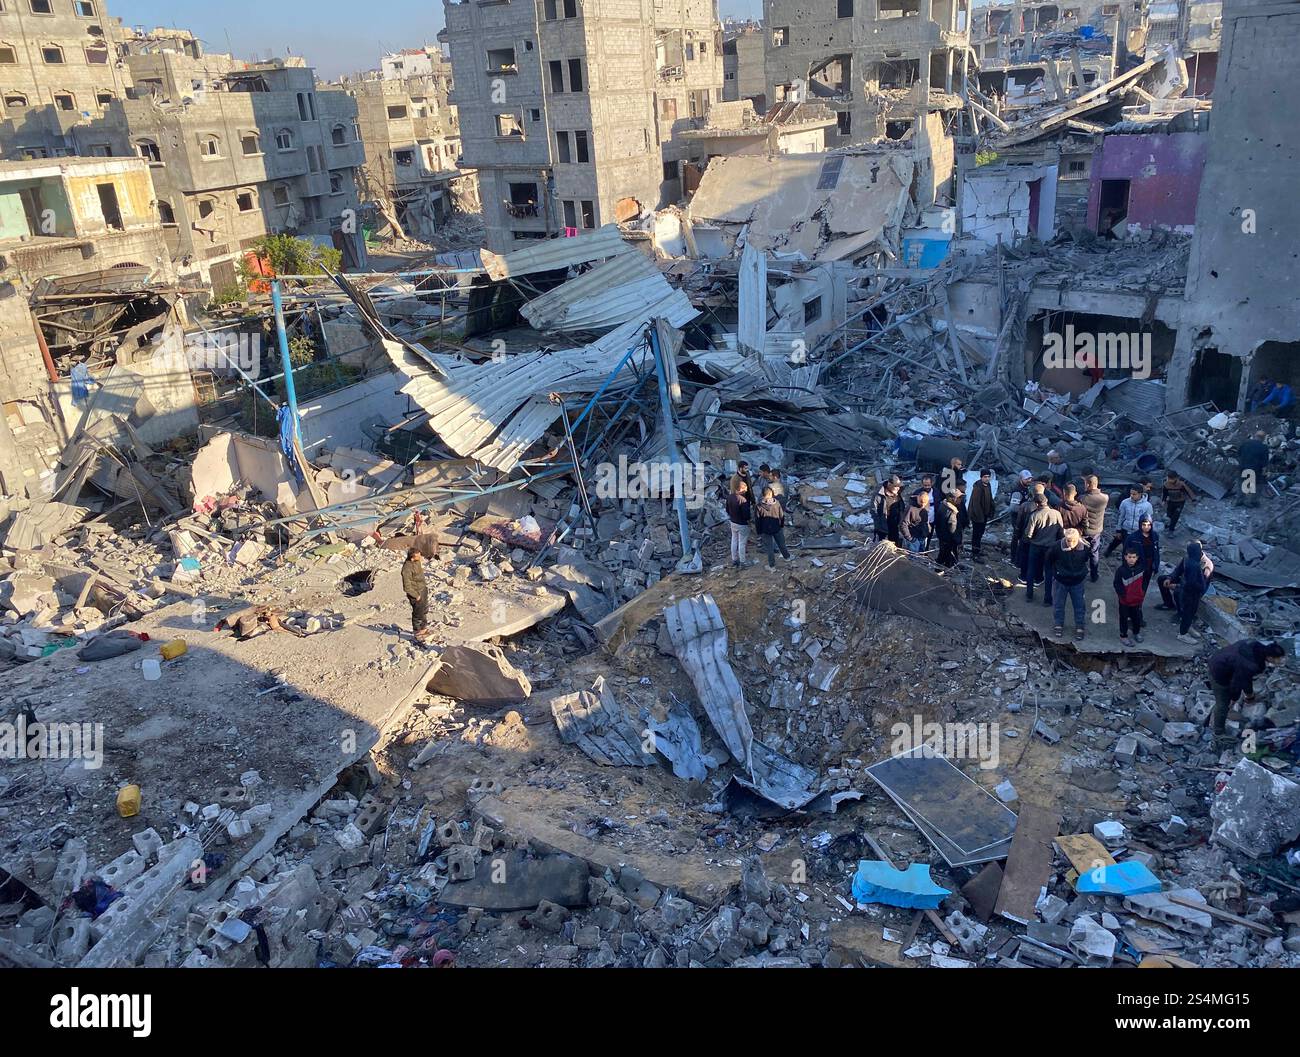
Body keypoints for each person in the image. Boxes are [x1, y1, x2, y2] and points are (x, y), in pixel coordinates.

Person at [1207, 639, 1286, 739]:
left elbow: (1243, 676)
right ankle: (1218, 732)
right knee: (1223, 704)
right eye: (1278, 659)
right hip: (1218, 671)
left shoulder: (1255, 644)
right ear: (1270, 657)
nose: (1280, 661)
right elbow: (1240, 682)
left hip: (1221, 658)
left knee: (1228, 698)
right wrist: (1236, 698)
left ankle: (1216, 717)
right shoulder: (1250, 665)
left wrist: (1248, 695)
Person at [1158, 540, 1214, 643]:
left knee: (1188, 610)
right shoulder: (1189, 559)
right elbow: (1178, 571)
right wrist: (1170, 578)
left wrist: (1178, 586)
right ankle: (1183, 630)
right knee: (1162, 580)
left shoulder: (1205, 565)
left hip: (1194, 591)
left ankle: (1185, 627)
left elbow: (1201, 584)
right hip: (1187, 587)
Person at [1047, 527, 1090, 639]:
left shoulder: (1085, 548)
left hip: (1077, 581)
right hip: (1061, 581)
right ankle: (1058, 625)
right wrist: (1056, 572)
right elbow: (1048, 560)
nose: (1070, 543)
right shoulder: (1056, 547)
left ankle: (1080, 626)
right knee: (1058, 605)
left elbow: (1086, 560)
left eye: (1073, 541)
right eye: (1068, 541)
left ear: (1078, 539)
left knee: (1080, 605)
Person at [1024, 493, 1063, 602]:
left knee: (1031, 570)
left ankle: (1029, 594)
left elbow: (1028, 534)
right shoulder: (1057, 514)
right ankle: (1047, 598)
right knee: (1049, 572)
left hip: (1035, 546)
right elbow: (1061, 532)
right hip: (1050, 547)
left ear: (1037, 504)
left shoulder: (1034, 515)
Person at [1113, 547, 1148, 647]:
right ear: (1125, 557)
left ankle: (1136, 633)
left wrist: (1141, 592)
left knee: (1136, 617)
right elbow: (1117, 584)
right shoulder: (1121, 570)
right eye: (1129, 557)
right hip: (1124, 601)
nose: (1131, 559)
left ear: (1137, 558)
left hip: (1136, 600)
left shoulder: (1141, 569)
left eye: (1133, 557)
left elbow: (1144, 581)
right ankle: (1123, 636)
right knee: (1123, 618)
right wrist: (1123, 595)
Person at [1107, 485, 1154, 556]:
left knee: (1133, 549)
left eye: (1134, 494)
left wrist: (1146, 533)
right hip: (1125, 529)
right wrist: (1118, 530)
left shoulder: (1147, 506)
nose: (1131, 496)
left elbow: (1148, 521)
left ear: (1140, 494)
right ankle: (1109, 551)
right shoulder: (1125, 502)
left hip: (1138, 531)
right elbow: (1121, 517)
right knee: (1121, 543)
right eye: (1131, 494)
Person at [1078, 474, 1109, 582]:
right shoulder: (1105, 498)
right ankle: (1094, 575)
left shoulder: (1082, 498)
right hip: (1097, 530)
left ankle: (1080, 573)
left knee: (1081, 552)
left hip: (1085, 530)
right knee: (1094, 553)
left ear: (1088, 484)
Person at [1013, 483, 1045, 581]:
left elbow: (1019, 523)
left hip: (1025, 536)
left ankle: (1023, 576)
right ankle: (1037, 578)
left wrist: (1017, 535)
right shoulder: (1047, 508)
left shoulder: (1025, 506)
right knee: (1038, 559)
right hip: (1039, 538)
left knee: (1024, 557)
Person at [754, 486, 791, 569]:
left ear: (763, 495)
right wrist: (781, 525)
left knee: (769, 548)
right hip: (777, 528)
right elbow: (781, 515)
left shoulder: (759, 506)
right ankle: (787, 557)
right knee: (781, 544)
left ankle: (772, 565)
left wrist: (759, 531)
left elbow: (757, 520)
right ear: (771, 494)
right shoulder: (776, 503)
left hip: (765, 530)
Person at [401, 547, 430, 643]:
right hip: (416, 593)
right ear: (412, 557)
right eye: (418, 556)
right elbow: (407, 587)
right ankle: (417, 632)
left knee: (424, 609)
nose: (421, 557)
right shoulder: (407, 569)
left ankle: (424, 629)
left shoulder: (417, 562)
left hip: (422, 589)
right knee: (417, 613)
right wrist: (416, 595)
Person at [1125, 515, 1161, 591]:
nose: (1146, 527)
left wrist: (1156, 565)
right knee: (1134, 586)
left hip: (1149, 565)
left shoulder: (1155, 536)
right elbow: (1125, 554)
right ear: (1140, 524)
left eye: (1148, 525)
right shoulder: (1132, 538)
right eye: (1144, 525)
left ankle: (1141, 599)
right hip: (1138, 566)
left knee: (1145, 585)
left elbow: (1156, 552)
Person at [1236, 431, 1270, 507]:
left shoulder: (1245, 443)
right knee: (1256, 485)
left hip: (1243, 467)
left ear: (1255, 436)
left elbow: (1238, 454)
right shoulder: (1264, 447)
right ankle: (1252, 501)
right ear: (1263, 438)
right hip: (1255, 469)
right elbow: (1265, 462)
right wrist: (1264, 472)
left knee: (1242, 483)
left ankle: (1240, 500)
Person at [968, 469, 995, 561]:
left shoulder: (988, 485)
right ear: (981, 477)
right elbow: (975, 503)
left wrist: (991, 511)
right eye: (985, 477)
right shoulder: (978, 487)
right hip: (978, 515)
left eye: (988, 477)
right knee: (976, 534)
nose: (987, 479)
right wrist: (980, 517)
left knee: (980, 533)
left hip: (984, 514)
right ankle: (974, 553)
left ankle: (977, 550)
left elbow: (990, 498)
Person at [936, 484, 966, 568]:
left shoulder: (942, 505)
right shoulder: (952, 512)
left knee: (942, 554)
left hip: (942, 538)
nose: (960, 500)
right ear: (952, 498)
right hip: (949, 540)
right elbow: (953, 530)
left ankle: (938, 568)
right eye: (959, 498)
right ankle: (946, 573)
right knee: (949, 557)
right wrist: (958, 541)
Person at [725, 478, 752, 568]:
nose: (746, 490)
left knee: (734, 540)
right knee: (742, 543)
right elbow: (746, 515)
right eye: (745, 489)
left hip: (733, 522)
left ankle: (734, 559)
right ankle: (743, 561)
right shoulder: (743, 500)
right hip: (742, 524)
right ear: (740, 489)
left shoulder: (730, 497)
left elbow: (727, 510)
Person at [872, 475, 903, 544]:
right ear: (889, 485)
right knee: (882, 543)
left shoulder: (898, 491)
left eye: (899, 486)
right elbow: (874, 511)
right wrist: (879, 525)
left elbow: (901, 505)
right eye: (896, 486)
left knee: (894, 542)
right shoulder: (879, 494)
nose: (898, 488)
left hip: (895, 522)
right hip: (883, 523)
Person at [913, 474, 936, 549]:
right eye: (925, 485)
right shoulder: (917, 493)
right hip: (921, 521)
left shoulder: (936, 492)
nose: (926, 487)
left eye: (928, 485)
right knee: (921, 538)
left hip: (932, 519)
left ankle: (926, 551)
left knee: (929, 536)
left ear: (932, 484)